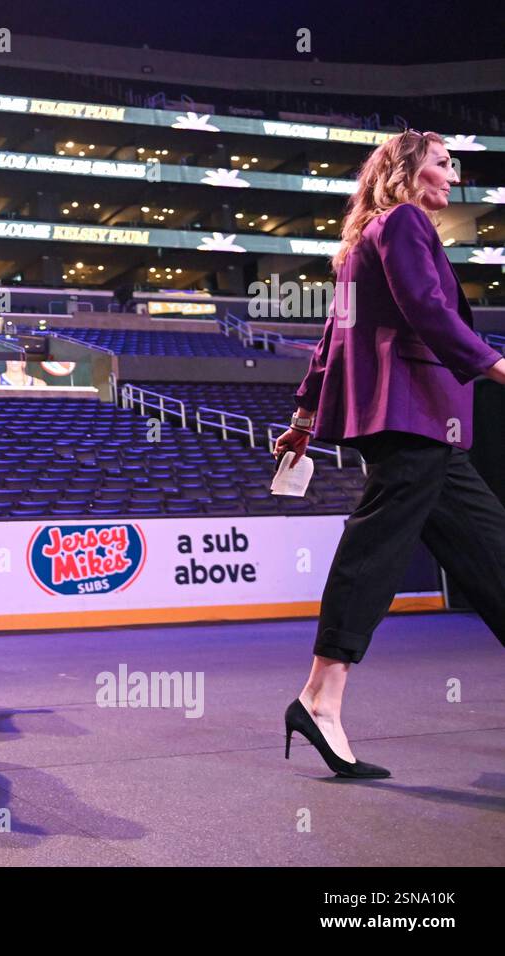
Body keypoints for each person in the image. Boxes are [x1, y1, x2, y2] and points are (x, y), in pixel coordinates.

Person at [276, 130, 505, 779]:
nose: (452, 177)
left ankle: (319, 696)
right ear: (407, 170)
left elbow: (329, 339)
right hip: (412, 412)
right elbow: (427, 308)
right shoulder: (404, 223)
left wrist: (302, 417)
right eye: (441, 163)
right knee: (377, 544)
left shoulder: (358, 242)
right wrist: (495, 364)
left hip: (420, 423)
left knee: (490, 548)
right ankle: (319, 697)